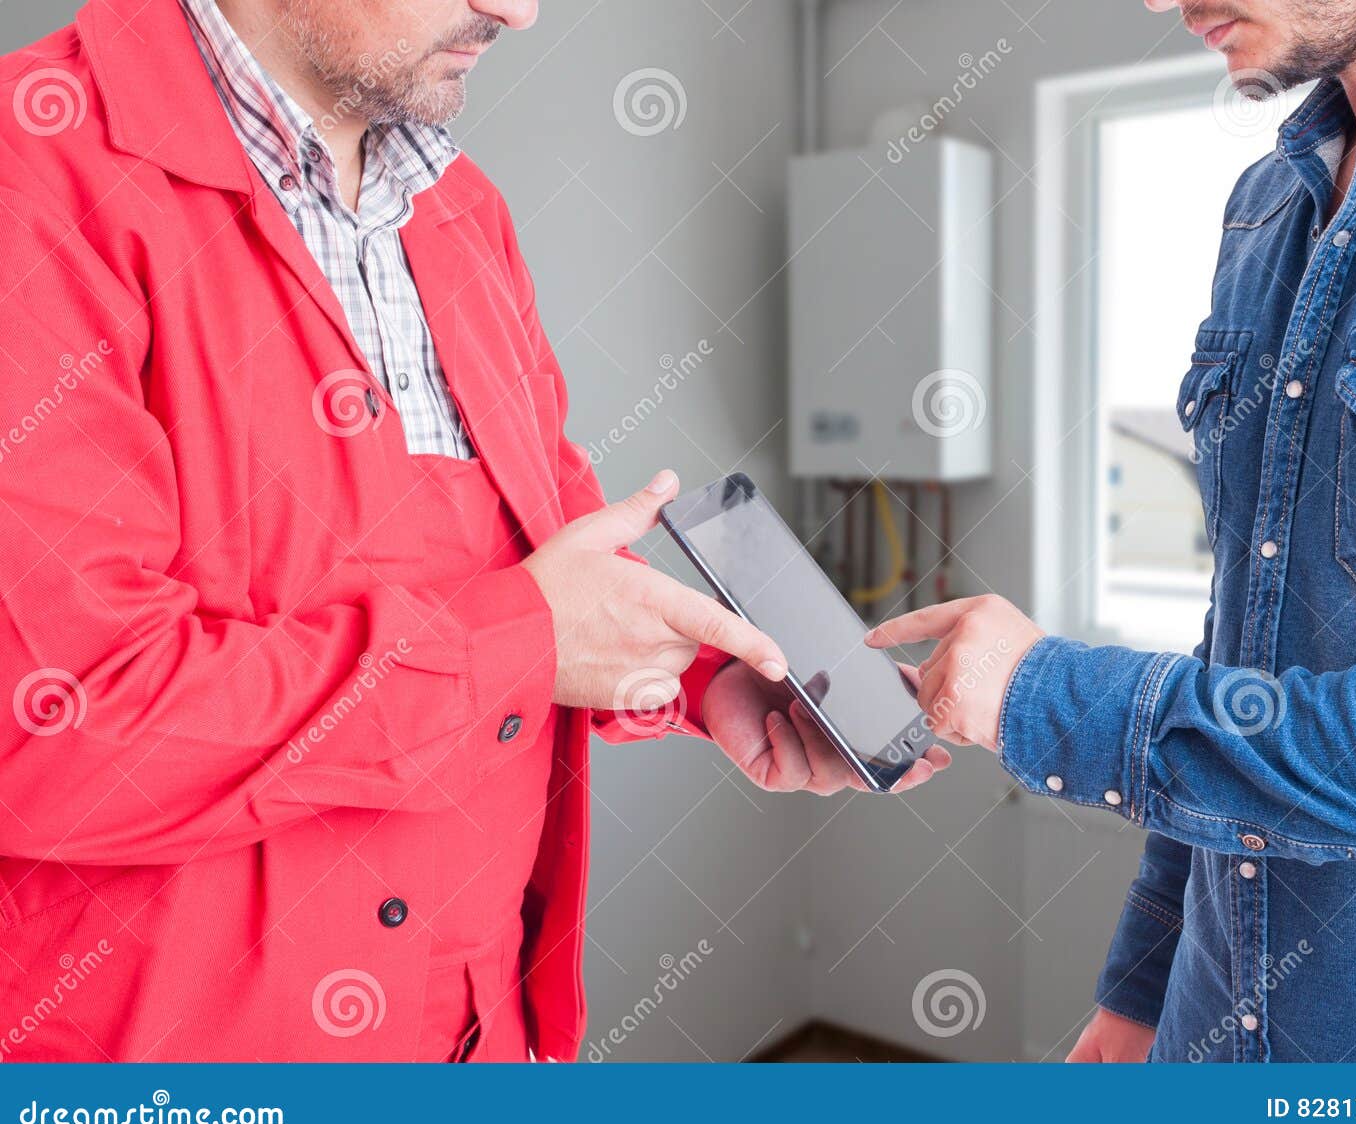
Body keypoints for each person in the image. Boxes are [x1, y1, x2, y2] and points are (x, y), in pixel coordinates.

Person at [0, 0, 949, 1062]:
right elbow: (57, 729)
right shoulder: (31, 176)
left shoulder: (460, 208)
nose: (519, 10)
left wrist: (688, 670)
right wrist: (523, 642)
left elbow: (538, 558)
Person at [871, 0, 1356, 1062]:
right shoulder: (1270, 200)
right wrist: (1143, 981)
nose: (1161, 2)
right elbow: (1246, 641)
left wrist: (1046, 696)